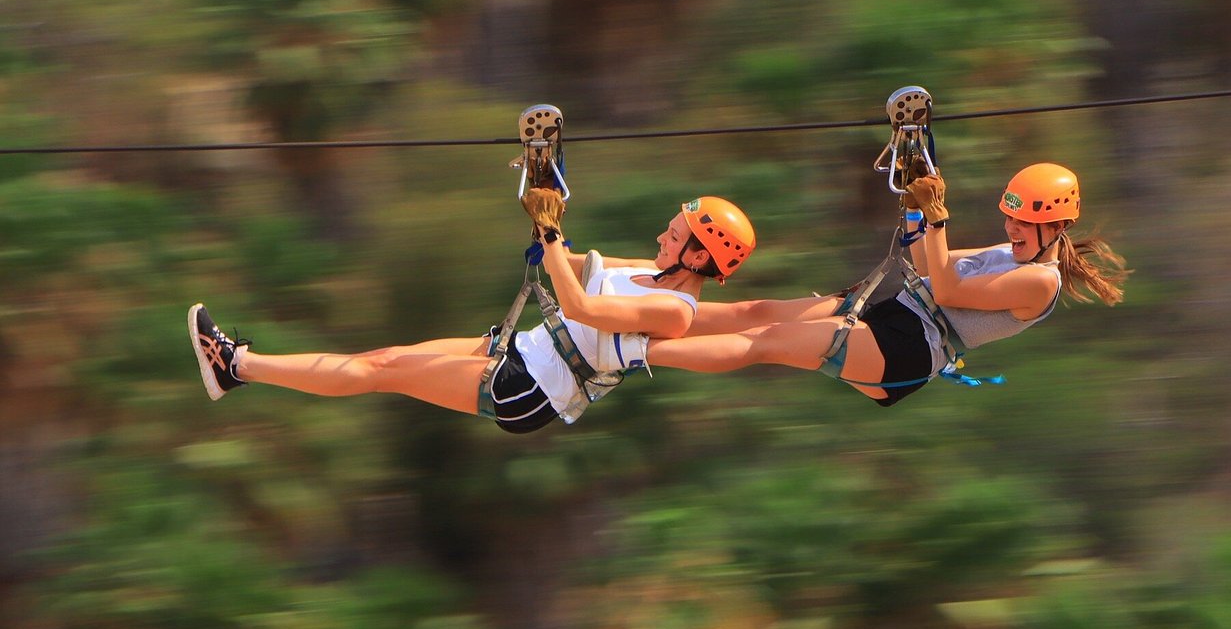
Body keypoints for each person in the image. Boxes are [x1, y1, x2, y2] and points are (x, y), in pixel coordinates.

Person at [188, 193, 757, 433]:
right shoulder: (651, 275)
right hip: (518, 349)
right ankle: (236, 369)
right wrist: (546, 203)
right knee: (378, 358)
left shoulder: (674, 312)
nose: (662, 236)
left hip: (529, 390)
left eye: (675, 235)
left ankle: (236, 366)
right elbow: (578, 264)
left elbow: (580, 304)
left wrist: (552, 233)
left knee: (381, 369)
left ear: (699, 256)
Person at [638, 163, 1130, 405]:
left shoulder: (1040, 284)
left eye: (1023, 226)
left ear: (1057, 227)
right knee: (759, 312)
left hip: (910, 352)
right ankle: (643, 315)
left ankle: (630, 353)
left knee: (765, 342)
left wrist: (937, 219)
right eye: (1009, 219)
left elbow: (947, 290)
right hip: (891, 316)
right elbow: (927, 256)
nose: (1010, 230)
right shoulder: (1008, 255)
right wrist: (917, 199)